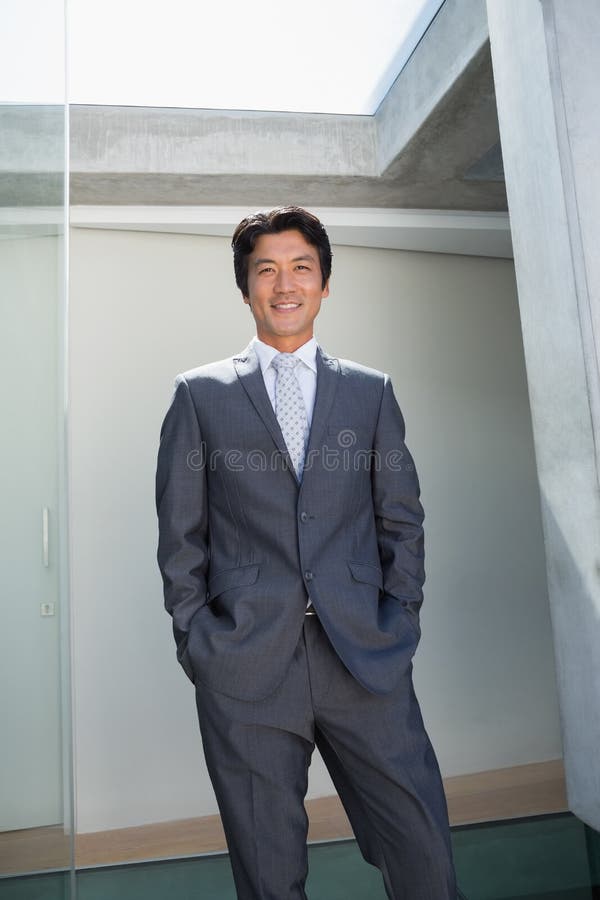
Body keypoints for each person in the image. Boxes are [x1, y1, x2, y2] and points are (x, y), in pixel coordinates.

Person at [155, 206, 457, 899]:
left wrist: (398, 620)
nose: (284, 283)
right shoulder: (199, 396)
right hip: (247, 665)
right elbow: (180, 537)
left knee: (424, 860)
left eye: (301, 268)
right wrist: (201, 643)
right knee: (269, 877)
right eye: (267, 270)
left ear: (323, 284)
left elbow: (402, 521)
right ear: (245, 289)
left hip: (363, 656)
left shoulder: (369, 392)